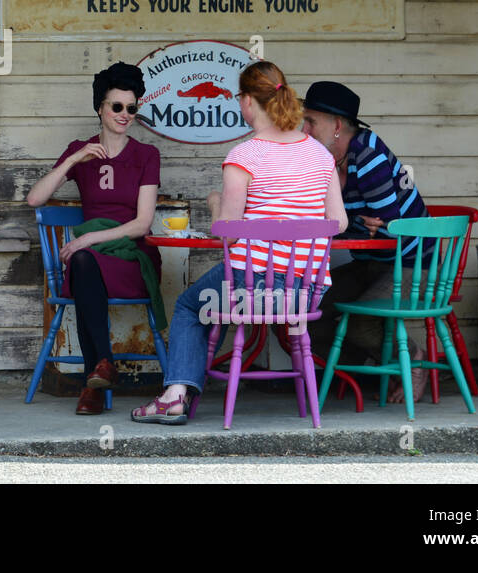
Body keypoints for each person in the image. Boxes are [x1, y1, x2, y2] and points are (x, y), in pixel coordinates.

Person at [132, 61, 346, 425]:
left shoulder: (244, 156)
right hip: (305, 291)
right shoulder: (320, 155)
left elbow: (226, 230)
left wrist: (215, 202)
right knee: (203, 301)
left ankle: (174, 395)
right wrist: (295, 223)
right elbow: (338, 222)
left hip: (253, 286)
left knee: (187, 307)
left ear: (247, 102)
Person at [26, 62, 163, 415]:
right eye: (117, 106)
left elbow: (142, 223)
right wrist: (74, 158)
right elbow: (35, 199)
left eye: (131, 108)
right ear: (100, 108)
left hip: (131, 256)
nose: (124, 114)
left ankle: (93, 384)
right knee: (84, 265)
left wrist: (89, 238)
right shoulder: (81, 151)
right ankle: (101, 367)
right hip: (91, 262)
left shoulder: (146, 155)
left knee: (82, 258)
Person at [300, 80, 429, 403]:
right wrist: (357, 225)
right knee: (308, 313)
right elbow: (348, 226)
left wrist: (354, 225)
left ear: (338, 125)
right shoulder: (328, 162)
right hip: (372, 263)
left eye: (311, 120)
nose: (304, 127)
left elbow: (388, 231)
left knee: (359, 326)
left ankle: (412, 361)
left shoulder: (367, 154)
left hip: (410, 264)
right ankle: (365, 374)